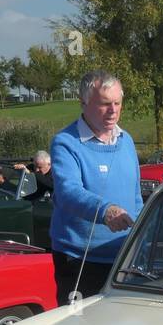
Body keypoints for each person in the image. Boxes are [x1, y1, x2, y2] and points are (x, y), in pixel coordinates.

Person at [49, 70, 142, 305]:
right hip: (80, 261)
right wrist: (105, 211)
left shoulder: (126, 140)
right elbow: (68, 193)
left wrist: (143, 235)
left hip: (125, 259)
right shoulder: (65, 143)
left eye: (117, 103)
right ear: (84, 103)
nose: (113, 110)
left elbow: (135, 196)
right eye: (104, 104)